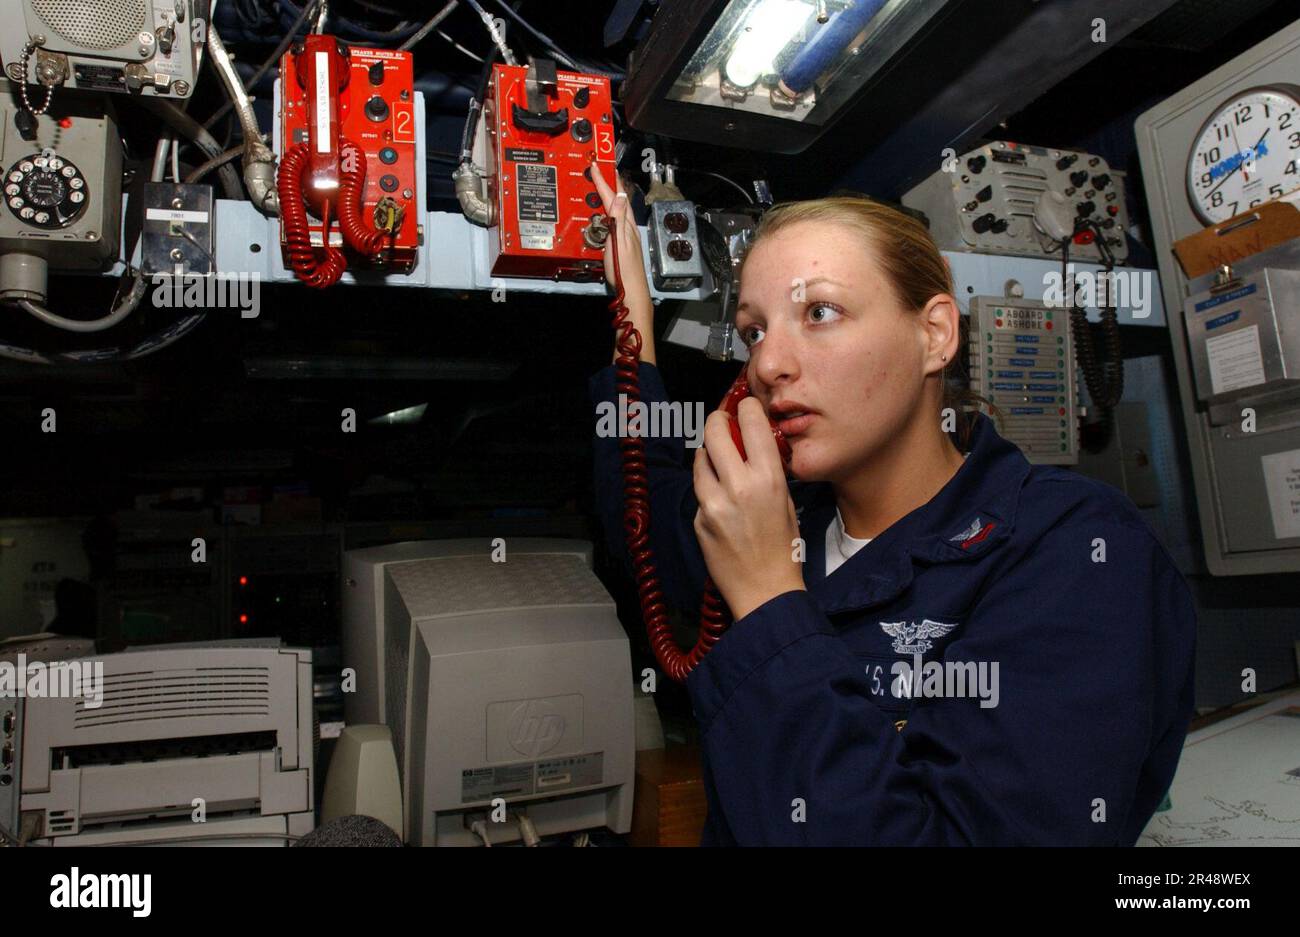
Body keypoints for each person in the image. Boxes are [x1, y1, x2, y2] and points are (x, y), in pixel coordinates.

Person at [586, 165, 1197, 846]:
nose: (768, 365)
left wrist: (766, 599)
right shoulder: (775, 520)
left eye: (818, 312)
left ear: (934, 334)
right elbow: (638, 509)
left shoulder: (1074, 552)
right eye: (754, 331)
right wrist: (631, 324)